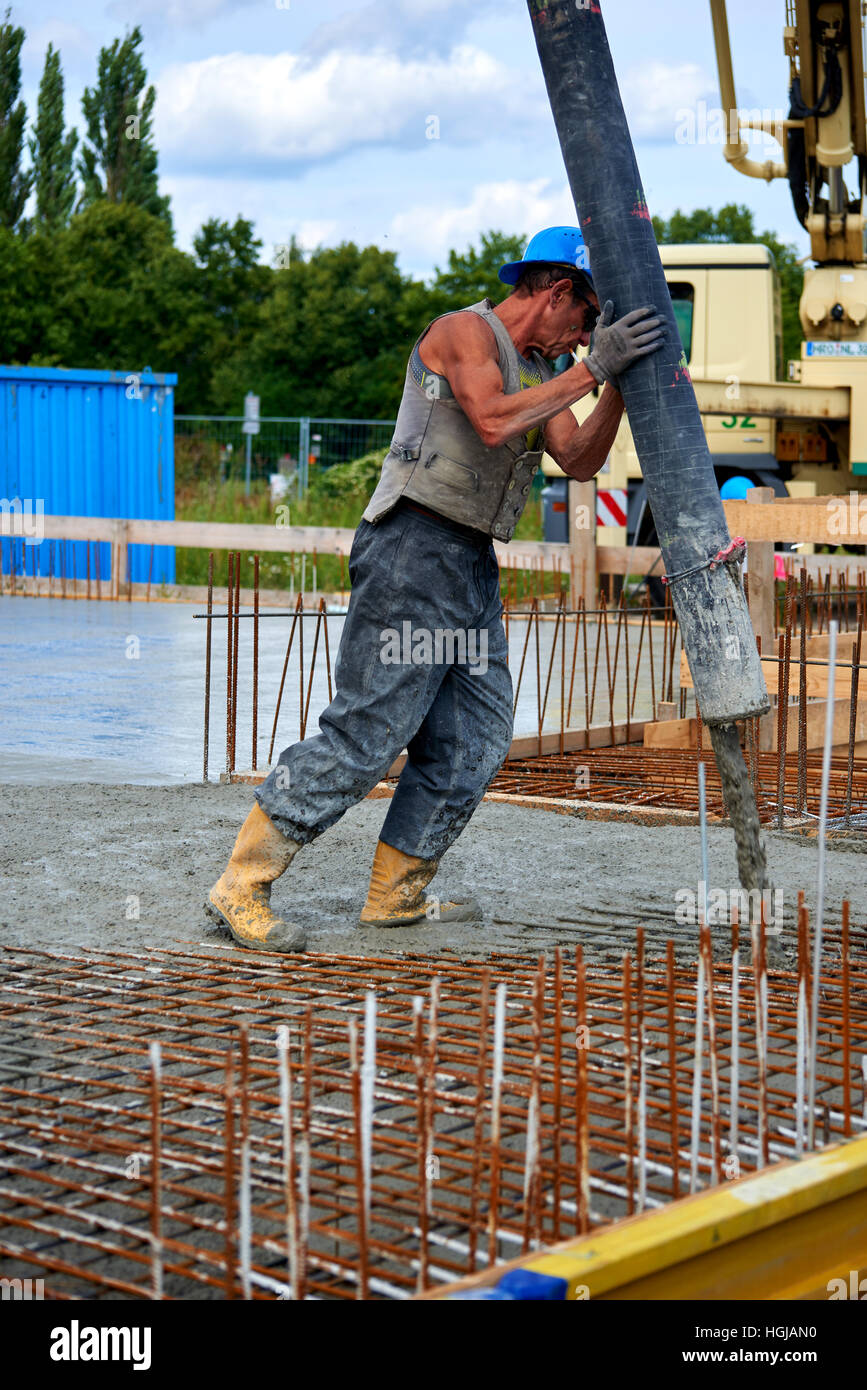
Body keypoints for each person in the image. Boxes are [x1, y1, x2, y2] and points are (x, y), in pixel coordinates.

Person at [206, 226, 664, 952]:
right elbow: (488, 420)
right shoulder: (463, 334)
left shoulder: (540, 366)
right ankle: (241, 883)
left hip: (468, 564)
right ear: (554, 291)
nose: (583, 339)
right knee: (368, 732)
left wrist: (617, 382)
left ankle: (395, 896)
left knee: (474, 742)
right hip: (409, 553)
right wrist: (590, 371)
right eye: (585, 319)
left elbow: (577, 457)